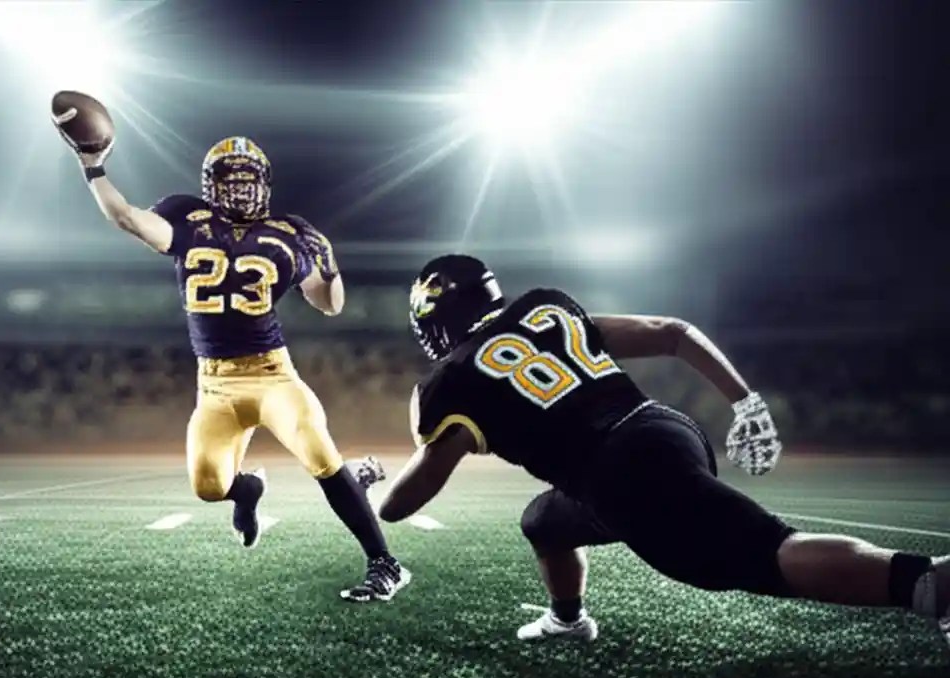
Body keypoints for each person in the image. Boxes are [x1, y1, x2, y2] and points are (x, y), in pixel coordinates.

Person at [379, 253, 948, 643]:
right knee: (546, 521)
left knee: (766, 553)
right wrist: (745, 402)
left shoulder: (449, 382)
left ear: (432, 316)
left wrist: (407, 450)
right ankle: (567, 620)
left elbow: (399, 505)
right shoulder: (545, 307)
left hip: (622, 474)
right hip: (662, 430)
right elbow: (673, 332)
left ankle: (929, 581)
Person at [55, 126, 409, 602]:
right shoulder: (186, 216)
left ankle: (384, 564)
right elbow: (128, 218)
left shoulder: (288, 233)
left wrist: (331, 267)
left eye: (248, 180)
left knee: (320, 456)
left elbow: (329, 304)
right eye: (230, 180)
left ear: (263, 184)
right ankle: (246, 491)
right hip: (214, 386)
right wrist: (92, 165)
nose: (240, 189)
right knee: (206, 486)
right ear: (211, 186)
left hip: (272, 376)